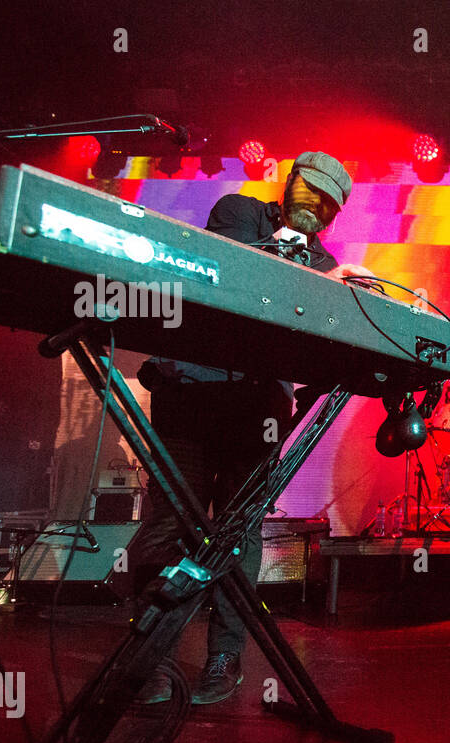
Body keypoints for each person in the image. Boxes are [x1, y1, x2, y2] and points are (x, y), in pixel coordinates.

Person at [133, 151, 363, 704]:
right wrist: (312, 272)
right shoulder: (237, 212)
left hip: (256, 412)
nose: (318, 206)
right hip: (191, 392)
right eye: (312, 191)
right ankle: (147, 659)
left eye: (329, 202)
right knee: (169, 529)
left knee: (239, 537)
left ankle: (224, 656)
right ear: (288, 184)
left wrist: (347, 300)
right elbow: (232, 274)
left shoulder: (325, 262)